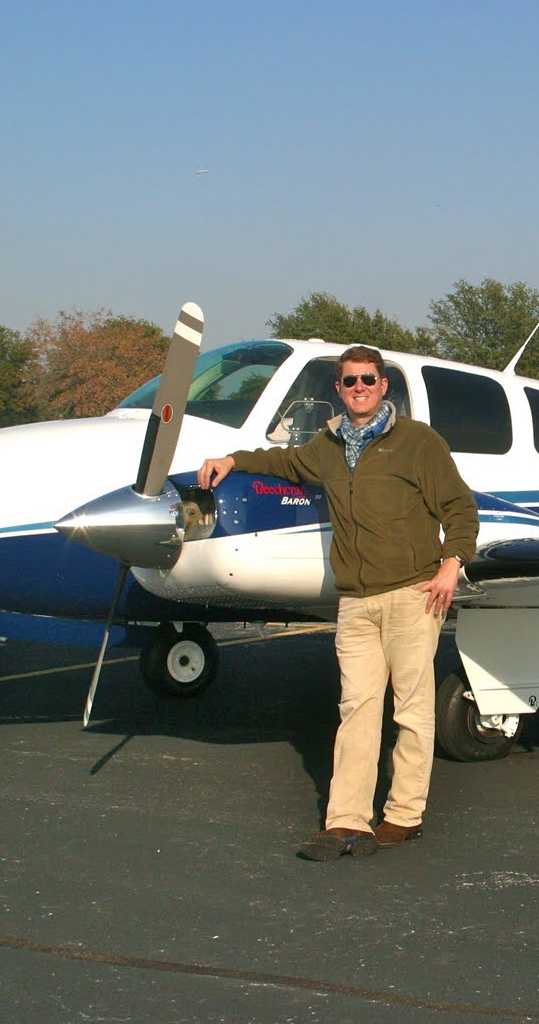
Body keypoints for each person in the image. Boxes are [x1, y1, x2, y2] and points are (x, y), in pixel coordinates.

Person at [197, 345, 478, 861]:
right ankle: (347, 820)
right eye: (350, 381)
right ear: (338, 388)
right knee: (357, 709)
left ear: (384, 384)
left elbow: (458, 505)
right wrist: (232, 460)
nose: (360, 388)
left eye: (368, 379)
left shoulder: (417, 442)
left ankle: (403, 815)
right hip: (355, 601)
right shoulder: (327, 445)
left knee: (412, 711)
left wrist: (450, 563)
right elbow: (284, 461)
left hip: (412, 595)